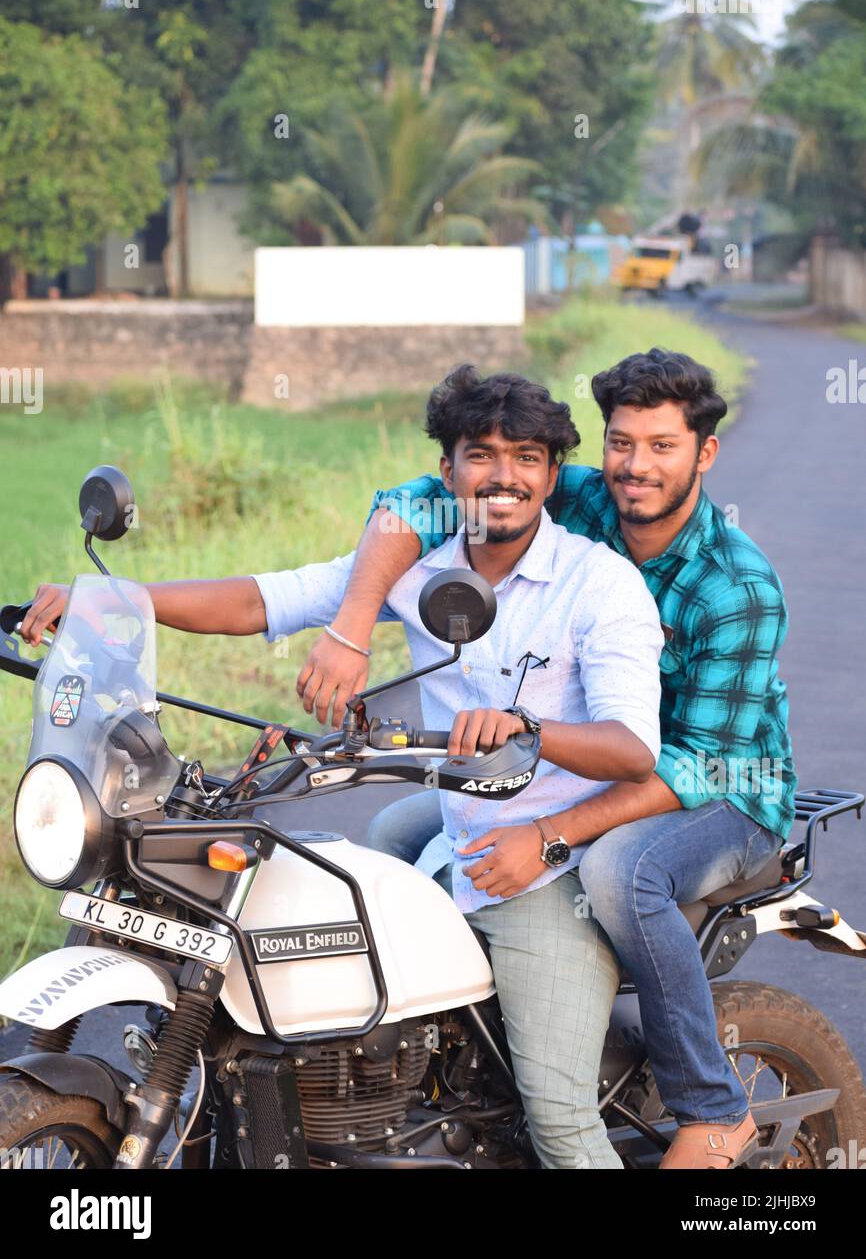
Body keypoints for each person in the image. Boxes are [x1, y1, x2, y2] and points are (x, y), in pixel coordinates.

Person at [20, 367, 664, 1171]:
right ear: (448, 471)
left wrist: (523, 724)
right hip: (464, 832)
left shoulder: (598, 584)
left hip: (546, 865)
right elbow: (265, 601)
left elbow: (635, 746)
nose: (504, 476)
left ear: (552, 472)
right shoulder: (414, 568)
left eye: (528, 457)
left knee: (561, 1126)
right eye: (482, 455)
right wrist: (105, 602)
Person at [292, 349, 796, 1170]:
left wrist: (552, 834)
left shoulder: (736, 587)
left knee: (617, 874)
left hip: (723, 787)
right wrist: (350, 629)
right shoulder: (587, 493)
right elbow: (416, 501)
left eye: (663, 446)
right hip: (591, 761)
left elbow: (684, 764)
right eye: (623, 442)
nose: (637, 465)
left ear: (704, 454)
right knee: (397, 824)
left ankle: (710, 1103)